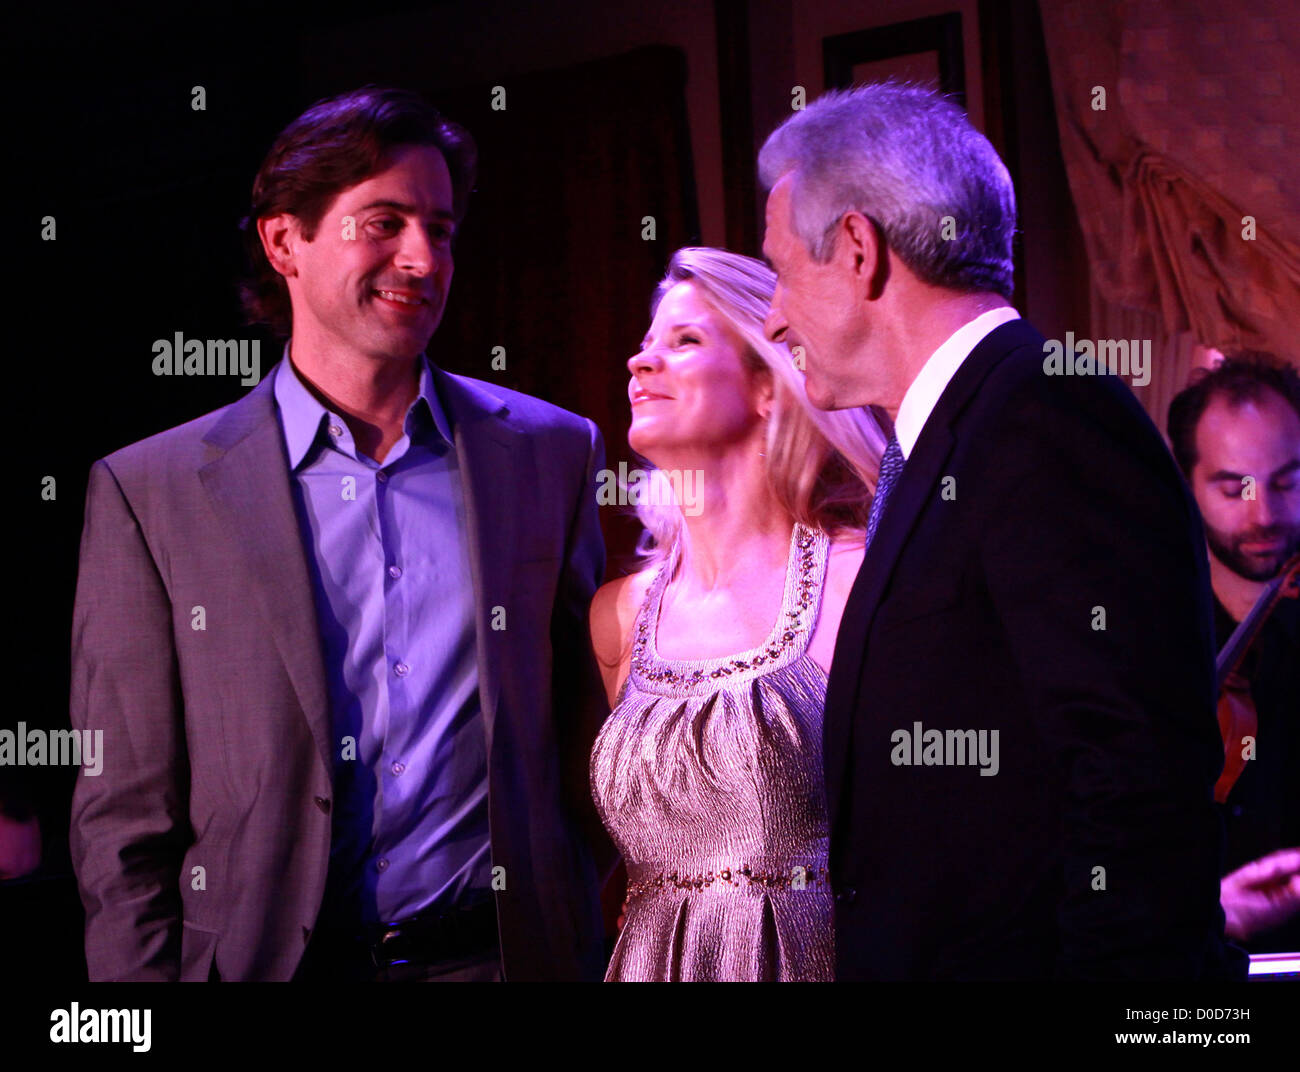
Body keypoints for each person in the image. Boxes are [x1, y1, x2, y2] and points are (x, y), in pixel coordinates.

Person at [69, 86, 613, 982]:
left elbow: (584, 740)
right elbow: (122, 815)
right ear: (284, 241)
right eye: (384, 221)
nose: (422, 256)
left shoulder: (549, 452)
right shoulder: (151, 490)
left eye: (440, 228)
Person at [757, 82, 1244, 980]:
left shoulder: (1045, 411)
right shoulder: (948, 437)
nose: (775, 313)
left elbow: (1131, 781)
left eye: (783, 269)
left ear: (858, 249)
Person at [588, 246, 885, 981]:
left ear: (768, 384)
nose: (639, 362)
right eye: (646, 342)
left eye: (684, 341)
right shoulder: (621, 615)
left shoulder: (860, 581)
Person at [1167, 353, 1300, 953]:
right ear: (1185, 481)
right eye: (1233, 487)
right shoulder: (1144, 637)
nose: (1264, 515)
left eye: (1287, 480)